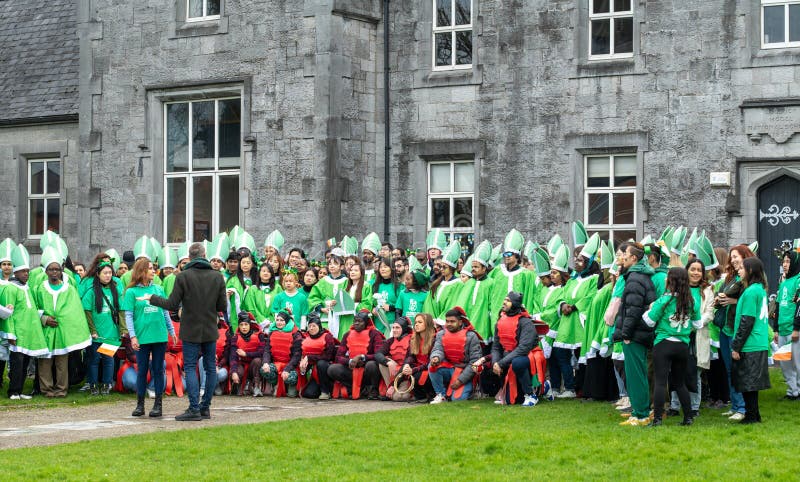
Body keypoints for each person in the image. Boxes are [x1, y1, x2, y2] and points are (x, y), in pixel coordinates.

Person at [145, 242, 227, 422]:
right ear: (204, 255)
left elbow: (171, 304)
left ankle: (194, 408)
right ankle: (205, 407)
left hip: (190, 328)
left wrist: (152, 298)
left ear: (189, 258)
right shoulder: (217, 276)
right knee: (210, 367)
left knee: (190, 367)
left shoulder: (183, 276)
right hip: (210, 328)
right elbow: (222, 306)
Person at [643, 267, 701, 426]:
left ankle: (657, 419)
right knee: (680, 383)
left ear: (671, 281)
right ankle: (688, 417)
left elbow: (649, 321)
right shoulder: (691, 301)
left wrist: (650, 308)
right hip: (682, 346)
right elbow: (698, 324)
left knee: (660, 382)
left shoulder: (664, 300)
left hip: (663, 344)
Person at [32, 247, 92, 398]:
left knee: (61, 362)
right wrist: (44, 319)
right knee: (45, 362)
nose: (54, 272)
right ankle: (47, 389)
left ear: (61, 271)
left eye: (57, 269)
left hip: (62, 331)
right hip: (46, 330)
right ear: (46, 271)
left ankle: (61, 389)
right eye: (51, 269)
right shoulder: (39, 288)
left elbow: (74, 310)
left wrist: (63, 320)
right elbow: (34, 308)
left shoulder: (69, 289)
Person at [122, 258, 176, 417]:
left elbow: (165, 312)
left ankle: (158, 405)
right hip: (142, 337)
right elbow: (128, 316)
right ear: (142, 271)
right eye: (150, 268)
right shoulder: (131, 292)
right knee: (142, 370)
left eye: (154, 268)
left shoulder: (158, 289)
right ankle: (140, 405)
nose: (154, 271)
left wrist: (171, 330)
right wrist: (133, 336)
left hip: (159, 335)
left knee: (158, 370)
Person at [613, 242, 657, 427]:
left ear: (633, 258)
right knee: (638, 373)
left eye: (625, 254)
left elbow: (633, 310)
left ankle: (641, 414)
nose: (622, 257)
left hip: (635, 334)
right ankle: (641, 410)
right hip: (640, 333)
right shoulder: (639, 276)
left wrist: (626, 334)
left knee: (636, 374)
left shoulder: (634, 279)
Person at [716, 244, 756, 421]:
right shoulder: (730, 277)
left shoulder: (750, 279)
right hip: (725, 328)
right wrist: (719, 299)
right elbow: (721, 294)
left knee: (738, 370)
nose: (732, 260)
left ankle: (742, 408)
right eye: (731, 257)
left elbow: (750, 302)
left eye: (736, 256)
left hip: (736, 329)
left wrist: (733, 301)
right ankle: (735, 405)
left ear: (745, 257)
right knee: (729, 370)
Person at [5, 245, 48, 399]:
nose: (26, 274)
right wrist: (11, 334)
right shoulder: (11, 288)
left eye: (28, 271)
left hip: (29, 333)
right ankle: (13, 391)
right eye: (23, 271)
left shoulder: (27, 288)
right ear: (15, 272)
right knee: (17, 364)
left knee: (25, 364)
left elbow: (31, 308)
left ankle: (19, 390)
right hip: (18, 333)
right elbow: (8, 314)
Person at [731, 257, 771, 424]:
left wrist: (736, 347)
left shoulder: (750, 292)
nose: (738, 270)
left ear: (750, 271)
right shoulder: (760, 289)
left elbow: (747, 321)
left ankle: (751, 416)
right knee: (751, 383)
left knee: (747, 383)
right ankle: (754, 414)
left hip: (750, 344)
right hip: (758, 342)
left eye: (742, 268)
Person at [82, 261, 126, 395]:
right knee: (94, 360)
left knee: (108, 359)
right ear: (98, 274)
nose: (108, 275)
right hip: (96, 334)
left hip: (110, 333)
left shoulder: (116, 290)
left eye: (110, 273)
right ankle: (93, 385)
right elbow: (87, 312)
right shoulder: (91, 292)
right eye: (105, 273)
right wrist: (92, 330)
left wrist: (123, 329)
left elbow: (121, 311)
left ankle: (107, 384)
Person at [489, 292, 540, 406]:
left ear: (515, 303)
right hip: (511, 356)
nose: (504, 302)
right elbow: (496, 347)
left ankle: (531, 394)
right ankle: (505, 392)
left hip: (529, 356)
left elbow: (523, 348)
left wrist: (501, 363)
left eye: (508, 300)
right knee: (511, 400)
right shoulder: (500, 321)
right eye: (504, 299)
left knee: (517, 362)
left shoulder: (525, 322)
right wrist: (496, 363)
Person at [428, 308, 482, 403]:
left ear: (460, 322)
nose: (449, 324)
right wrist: (436, 357)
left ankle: (473, 390)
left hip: (464, 371)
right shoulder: (441, 334)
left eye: (452, 321)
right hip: (449, 368)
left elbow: (475, 362)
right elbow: (438, 349)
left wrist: (460, 380)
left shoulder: (471, 336)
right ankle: (441, 395)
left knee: (457, 400)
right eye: (447, 321)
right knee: (432, 366)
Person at [327, 310, 385, 399]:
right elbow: (338, 357)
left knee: (372, 365)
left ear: (366, 322)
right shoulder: (347, 334)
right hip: (352, 367)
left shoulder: (374, 334)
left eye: (360, 321)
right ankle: (354, 388)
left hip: (367, 368)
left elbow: (378, 354)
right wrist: (350, 361)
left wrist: (362, 357)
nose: (356, 323)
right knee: (332, 369)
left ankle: (373, 390)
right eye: (355, 321)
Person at [773, 246, 800, 400]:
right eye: (783, 261)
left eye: (788, 261)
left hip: (794, 330)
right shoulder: (783, 282)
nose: (785, 264)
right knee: (785, 363)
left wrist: (797, 328)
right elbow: (778, 306)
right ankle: (792, 391)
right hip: (782, 329)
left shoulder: (798, 280)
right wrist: (776, 329)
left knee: (798, 363)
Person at [260, 309, 303, 397]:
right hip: (276, 364)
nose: (279, 322)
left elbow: (297, 356)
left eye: (282, 320)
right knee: (264, 369)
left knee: (291, 386)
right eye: (277, 320)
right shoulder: (272, 332)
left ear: (287, 321)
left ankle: (291, 385)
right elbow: (267, 350)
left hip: (291, 366)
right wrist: (265, 363)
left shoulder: (296, 334)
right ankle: (275, 384)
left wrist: (287, 369)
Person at [297, 313, 338, 399]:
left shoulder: (327, 337)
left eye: (314, 326)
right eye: (309, 326)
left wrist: (309, 357)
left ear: (319, 326)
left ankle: (325, 391)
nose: (311, 328)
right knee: (309, 394)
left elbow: (328, 356)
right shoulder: (306, 338)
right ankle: (317, 389)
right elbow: (303, 357)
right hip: (314, 373)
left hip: (327, 370)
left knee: (321, 363)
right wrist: (303, 369)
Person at [373, 316, 413, 401]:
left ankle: (395, 388)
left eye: (397, 328)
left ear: (404, 329)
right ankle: (390, 389)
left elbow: (408, 361)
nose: (394, 330)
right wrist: (388, 362)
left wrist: (393, 385)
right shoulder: (390, 341)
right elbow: (377, 354)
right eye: (393, 328)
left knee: (398, 397)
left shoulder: (412, 340)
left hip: (406, 373)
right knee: (382, 363)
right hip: (394, 372)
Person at [402, 313, 437, 402]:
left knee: (417, 375)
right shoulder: (413, 339)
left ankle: (430, 395)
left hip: (431, 368)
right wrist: (407, 364)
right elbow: (410, 356)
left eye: (420, 322)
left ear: (427, 324)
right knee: (408, 370)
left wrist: (413, 370)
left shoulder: (435, 339)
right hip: (419, 367)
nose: (416, 324)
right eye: (416, 322)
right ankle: (420, 396)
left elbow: (430, 362)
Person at [229, 312, 266, 396]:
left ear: (250, 325)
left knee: (257, 361)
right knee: (236, 370)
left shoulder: (259, 335)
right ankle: (238, 385)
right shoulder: (235, 337)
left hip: (254, 365)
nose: (244, 327)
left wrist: (246, 354)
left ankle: (256, 386)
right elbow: (233, 357)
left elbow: (261, 352)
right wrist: (234, 372)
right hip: (241, 364)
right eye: (241, 325)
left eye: (246, 324)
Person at [242, 263, 282, 329]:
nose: (266, 273)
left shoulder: (277, 288)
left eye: (268, 271)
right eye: (263, 271)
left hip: (274, 324)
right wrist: (262, 321)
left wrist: (273, 320)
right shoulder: (253, 289)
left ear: (272, 274)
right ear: (259, 273)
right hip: (257, 324)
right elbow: (250, 307)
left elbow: (281, 305)